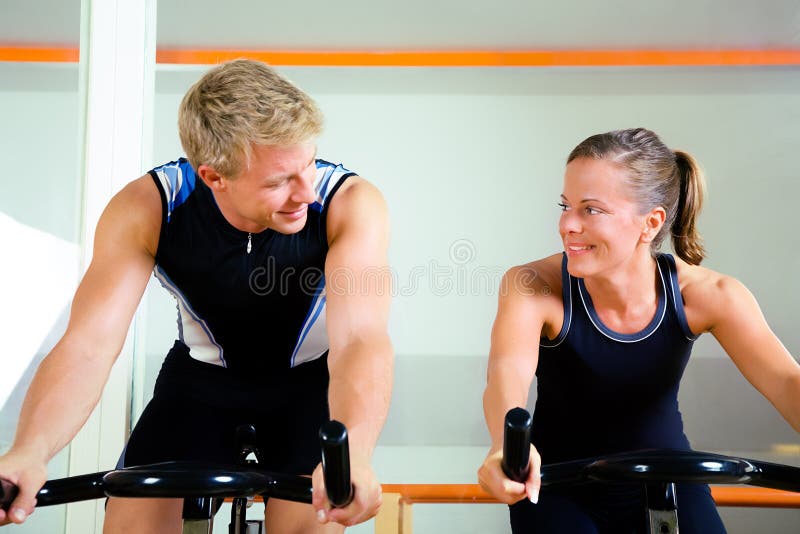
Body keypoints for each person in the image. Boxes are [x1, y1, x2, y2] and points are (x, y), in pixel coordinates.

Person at [0, 59, 393, 533]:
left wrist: (355, 455)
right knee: (131, 524)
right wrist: (29, 451)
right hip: (200, 385)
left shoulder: (349, 203)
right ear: (213, 177)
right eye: (278, 182)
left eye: (309, 164)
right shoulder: (149, 207)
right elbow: (89, 345)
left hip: (309, 388)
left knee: (316, 520)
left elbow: (360, 339)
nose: (306, 194)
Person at [478, 127, 800, 533]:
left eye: (591, 210)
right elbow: (506, 372)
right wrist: (504, 448)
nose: (567, 224)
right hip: (558, 486)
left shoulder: (710, 295)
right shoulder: (532, 285)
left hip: (670, 477)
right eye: (565, 205)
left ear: (650, 223)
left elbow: (786, 381)